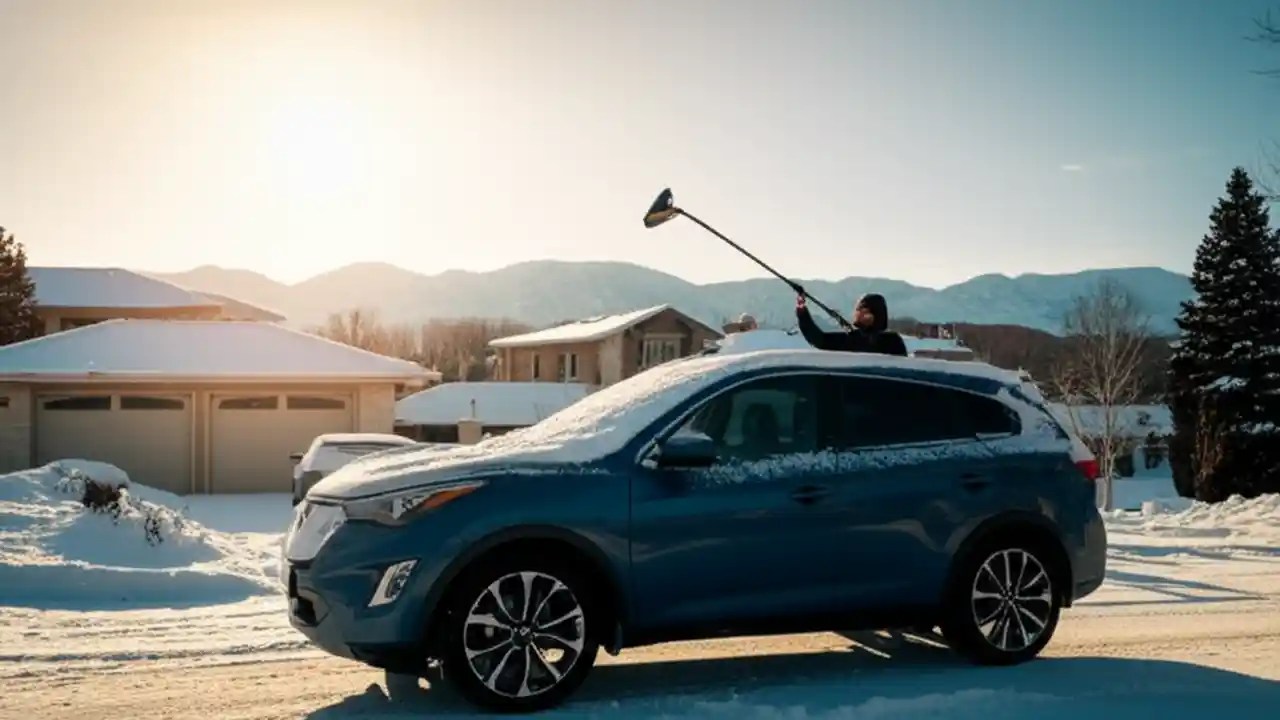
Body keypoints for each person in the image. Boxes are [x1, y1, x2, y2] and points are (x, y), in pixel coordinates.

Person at [795, 291, 908, 356]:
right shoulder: (895, 341)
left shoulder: (854, 340)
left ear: (871, 315)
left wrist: (802, 314)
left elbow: (819, 340)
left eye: (860, 309)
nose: (856, 313)